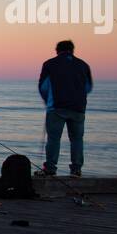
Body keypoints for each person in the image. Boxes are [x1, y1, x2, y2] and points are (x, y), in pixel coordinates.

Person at [37, 39, 93, 177]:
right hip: (78, 108)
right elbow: (88, 87)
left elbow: (43, 87)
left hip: (56, 107)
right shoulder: (83, 65)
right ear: (72, 50)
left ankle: (50, 167)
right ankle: (76, 169)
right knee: (77, 139)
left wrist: (47, 101)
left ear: (57, 50)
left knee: (54, 139)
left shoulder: (50, 64)